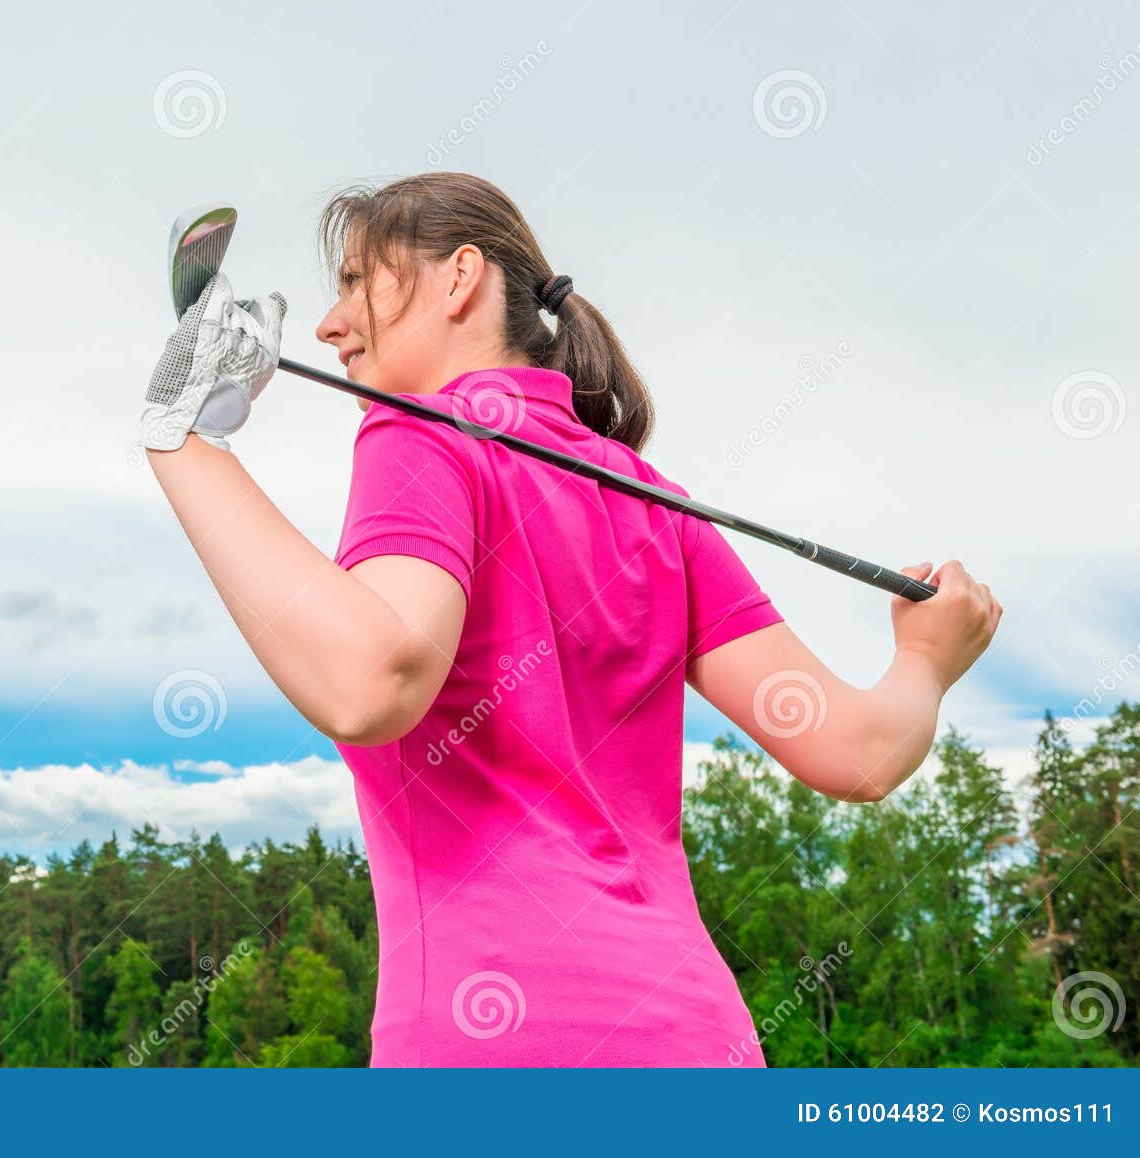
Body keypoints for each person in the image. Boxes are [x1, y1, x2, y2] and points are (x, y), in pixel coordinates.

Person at [140, 172, 1002, 1067]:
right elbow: (859, 752)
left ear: (459, 277)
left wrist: (183, 438)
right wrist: (927, 664)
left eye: (357, 281)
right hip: (702, 1043)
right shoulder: (651, 501)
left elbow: (372, 679)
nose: (328, 323)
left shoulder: (422, 436)